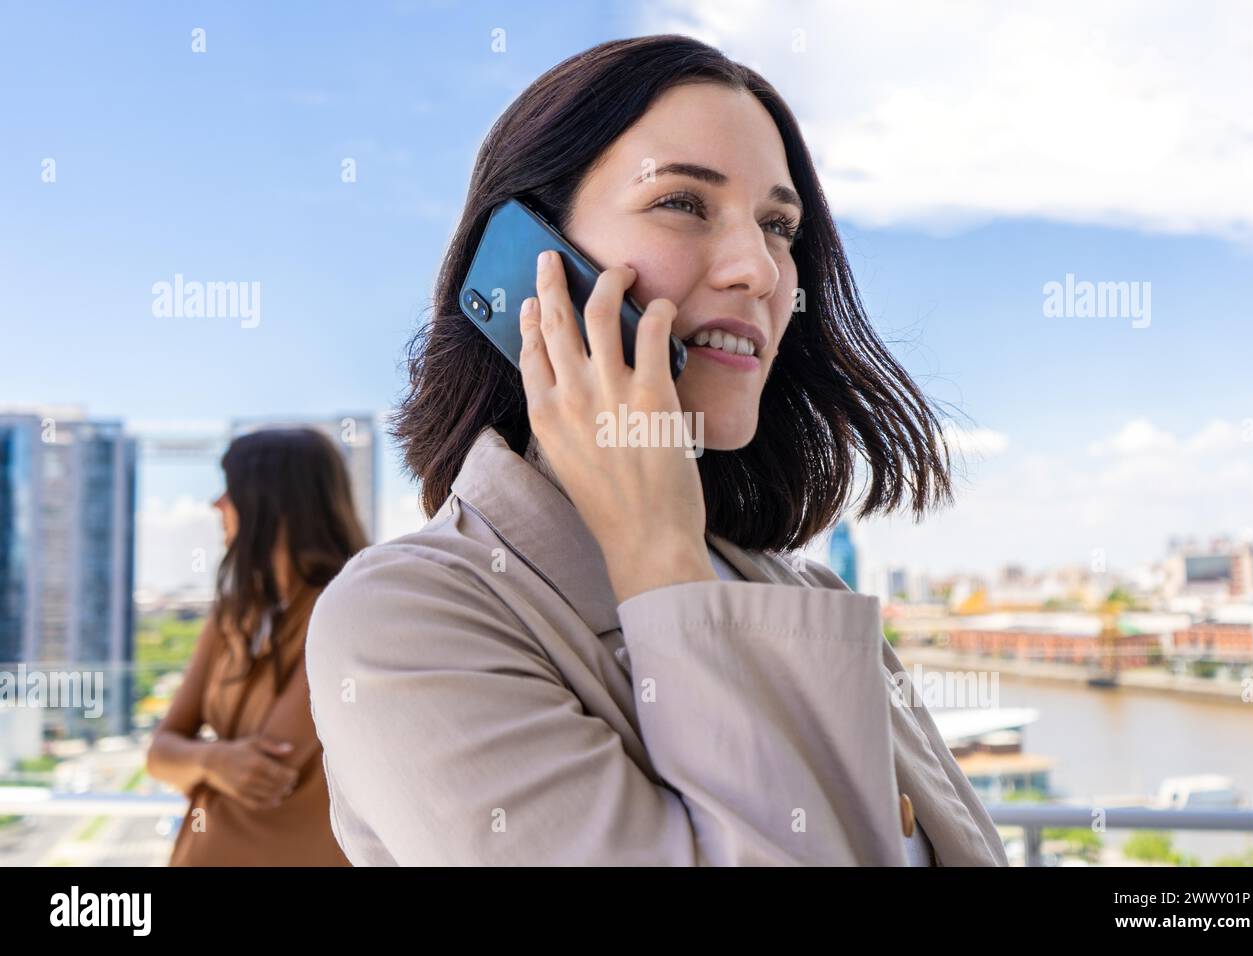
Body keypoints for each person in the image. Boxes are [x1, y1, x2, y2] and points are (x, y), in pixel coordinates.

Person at [306, 34, 1008, 866]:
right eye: (683, 202)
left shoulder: (798, 586)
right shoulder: (407, 619)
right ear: (534, 257)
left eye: (780, 225)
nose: (760, 268)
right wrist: (654, 555)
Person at [147, 427, 367, 866]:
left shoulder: (345, 611)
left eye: (232, 490)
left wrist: (197, 761)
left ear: (276, 504)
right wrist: (213, 761)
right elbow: (157, 753)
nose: (216, 504)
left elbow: (266, 769)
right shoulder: (232, 615)